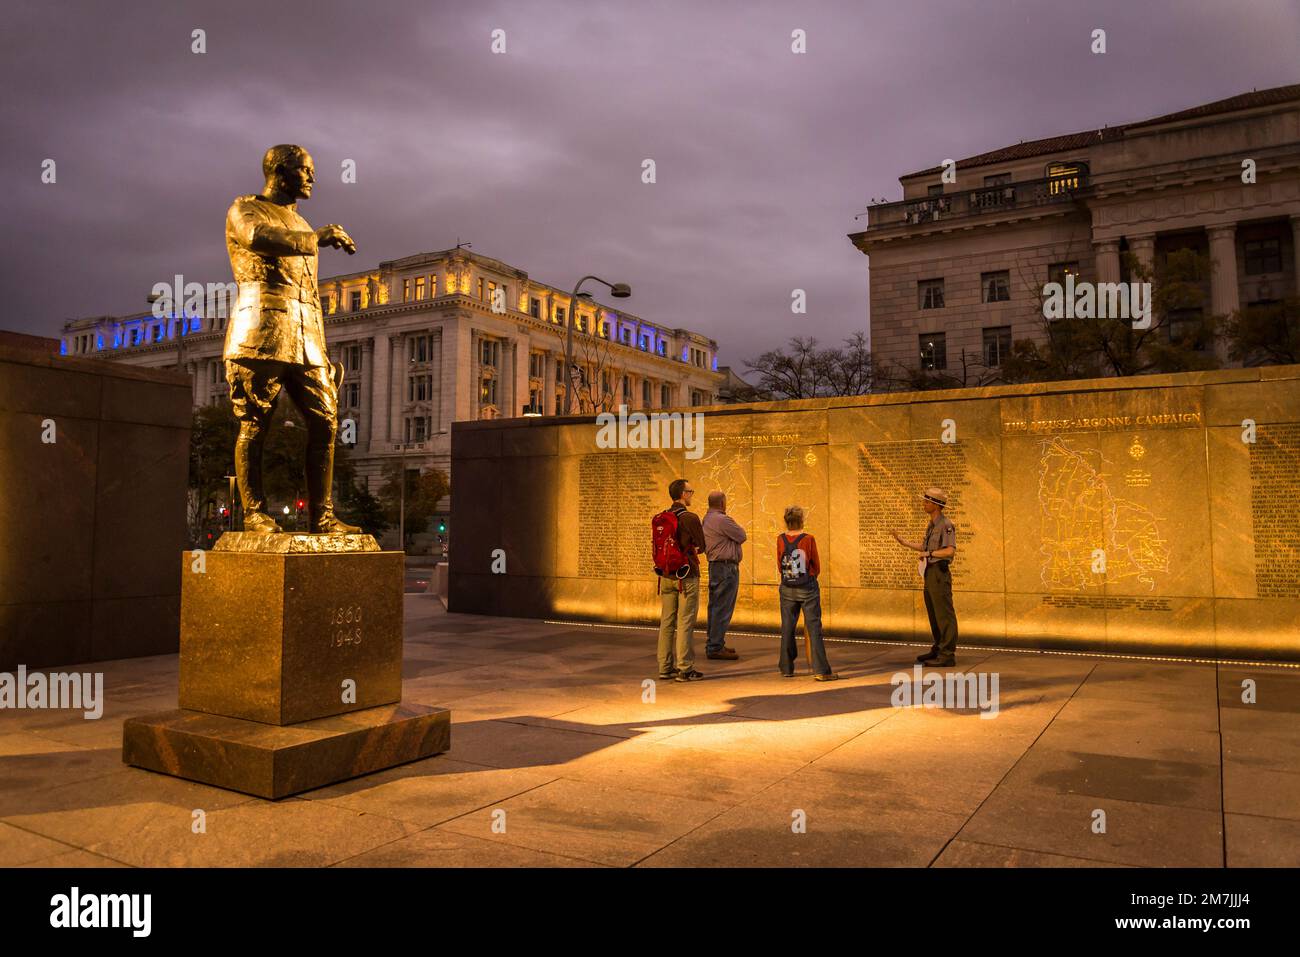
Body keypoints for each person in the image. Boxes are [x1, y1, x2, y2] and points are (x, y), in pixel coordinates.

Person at [224, 144, 360, 535]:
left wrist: (322, 348)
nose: (312, 178)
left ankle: (323, 516)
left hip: (307, 338)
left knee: (326, 422)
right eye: (305, 170)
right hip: (260, 332)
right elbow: (258, 237)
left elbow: (309, 293)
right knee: (255, 422)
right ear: (280, 172)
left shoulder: (302, 225)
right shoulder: (245, 209)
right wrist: (315, 238)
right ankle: (255, 513)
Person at [891, 486, 959, 666]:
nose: (924, 504)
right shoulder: (932, 525)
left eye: (927, 501)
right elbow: (926, 548)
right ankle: (938, 648)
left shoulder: (946, 525)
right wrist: (904, 542)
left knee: (944, 615)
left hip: (939, 574)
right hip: (930, 573)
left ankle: (947, 654)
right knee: (934, 613)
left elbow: (949, 551)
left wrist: (929, 555)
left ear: (936, 505)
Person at [775, 506, 838, 681]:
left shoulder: (780, 539)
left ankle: (786, 667)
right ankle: (821, 670)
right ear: (801, 520)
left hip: (787, 587)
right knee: (814, 628)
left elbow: (779, 565)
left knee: (787, 627)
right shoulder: (808, 539)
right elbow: (816, 564)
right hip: (807, 588)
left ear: (786, 521)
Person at [654, 479, 706, 682]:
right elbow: (702, 545)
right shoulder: (690, 518)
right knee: (685, 622)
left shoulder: (662, 517)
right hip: (687, 576)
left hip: (666, 576)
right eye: (690, 491)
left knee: (666, 622)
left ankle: (665, 667)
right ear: (683, 494)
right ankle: (685, 667)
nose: (691, 494)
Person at [702, 490, 745, 660]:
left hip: (715, 567)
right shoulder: (722, 519)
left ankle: (715, 643)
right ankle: (715, 647)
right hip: (726, 569)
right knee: (722, 607)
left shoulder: (707, 519)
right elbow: (742, 535)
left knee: (715, 606)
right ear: (722, 503)